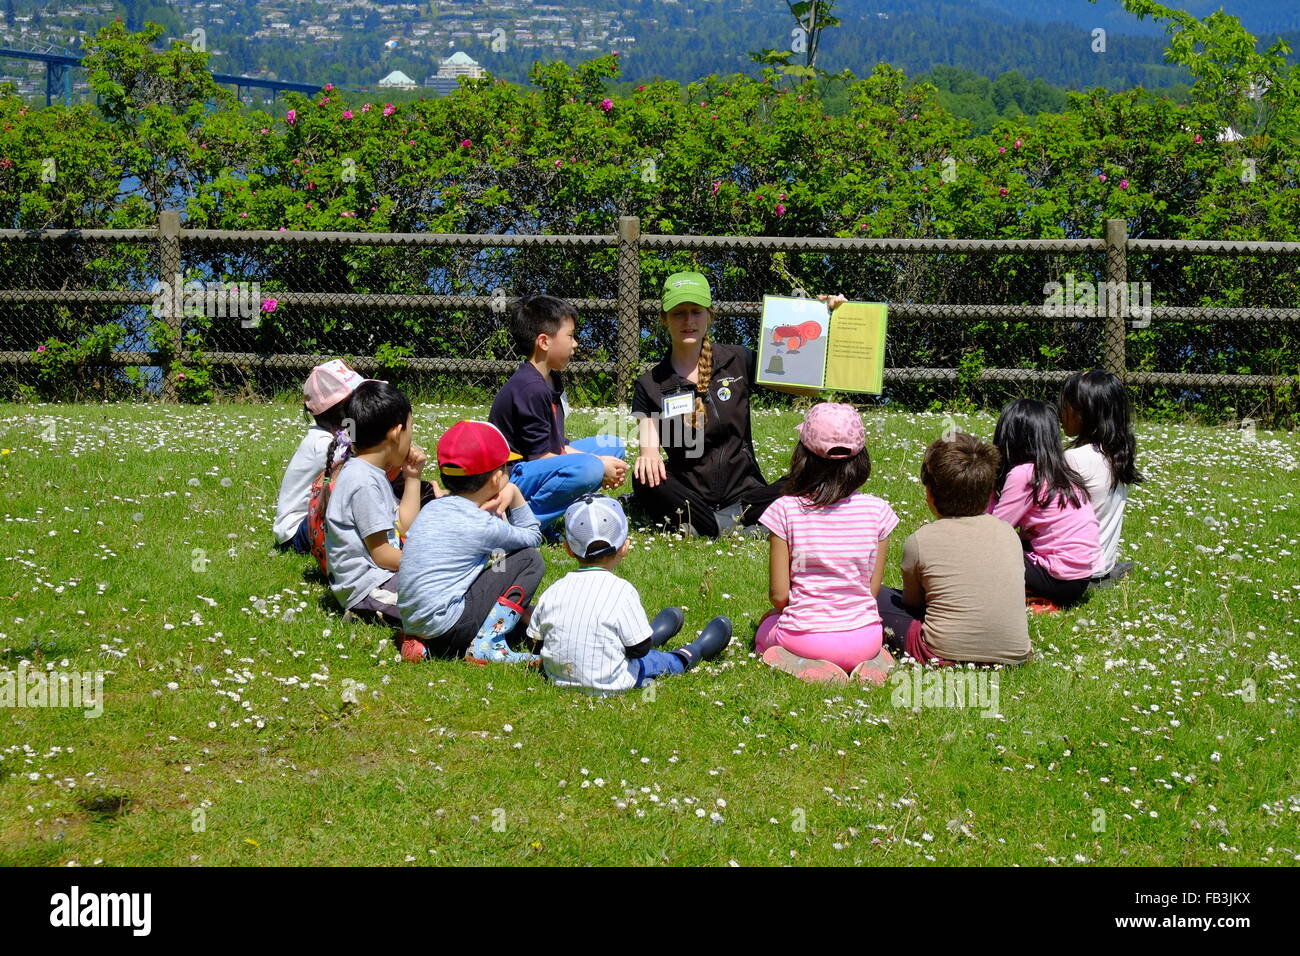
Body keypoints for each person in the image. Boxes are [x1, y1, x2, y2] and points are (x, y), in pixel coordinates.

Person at [632, 272, 805, 538]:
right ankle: (736, 524)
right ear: (664, 319)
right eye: (679, 313)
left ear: (710, 316)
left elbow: (803, 379)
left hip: (746, 492)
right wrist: (649, 455)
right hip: (691, 496)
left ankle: (709, 526)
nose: (688, 320)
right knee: (643, 476)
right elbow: (649, 448)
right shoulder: (649, 384)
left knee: (809, 477)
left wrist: (822, 315)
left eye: (696, 312)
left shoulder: (738, 360)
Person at [527, 494, 732, 694]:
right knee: (654, 660)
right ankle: (693, 651)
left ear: (568, 549)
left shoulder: (554, 590)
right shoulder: (621, 591)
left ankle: (648, 635)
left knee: (630, 644)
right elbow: (639, 652)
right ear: (625, 547)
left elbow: (535, 643)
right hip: (612, 682)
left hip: (559, 679)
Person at [754, 403, 898, 684]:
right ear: (860, 458)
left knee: (764, 630)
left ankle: (801, 664)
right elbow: (871, 590)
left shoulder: (785, 510)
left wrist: (777, 614)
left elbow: (779, 594)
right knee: (862, 642)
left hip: (807, 638)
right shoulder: (878, 511)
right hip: (866, 637)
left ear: (802, 456)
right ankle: (873, 661)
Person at [397, 421, 546, 664]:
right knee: (530, 559)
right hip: (449, 626)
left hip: (415, 622)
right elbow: (532, 536)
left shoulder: (432, 508)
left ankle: (424, 645)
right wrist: (516, 494)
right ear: (498, 477)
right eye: (507, 467)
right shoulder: (482, 525)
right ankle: (487, 644)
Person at [878, 433, 1032, 666]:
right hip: (1015, 654)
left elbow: (913, 603)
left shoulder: (921, 540)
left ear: (930, 494)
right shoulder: (1008, 533)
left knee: (877, 596)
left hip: (941, 652)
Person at [488, 294, 627, 528]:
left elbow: (557, 445)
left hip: (538, 464)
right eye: (570, 336)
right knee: (591, 467)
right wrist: (599, 465)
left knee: (612, 446)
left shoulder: (550, 379)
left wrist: (604, 462)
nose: (575, 344)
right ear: (544, 342)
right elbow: (541, 456)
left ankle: (561, 506)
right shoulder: (530, 388)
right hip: (512, 475)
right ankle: (524, 520)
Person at [322, 380, 426, 624]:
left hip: (383, 577)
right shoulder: (363, 481)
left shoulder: (369, 471)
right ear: (395, 432)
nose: (412, 438)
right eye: (410, 429)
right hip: (369, 588)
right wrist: (426, 562)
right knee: (437, 597)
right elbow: (381, 555)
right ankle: (362, 612)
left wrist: (413, 476)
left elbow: (404, 527)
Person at [989, 398, 1100, 608]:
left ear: (1008, 436)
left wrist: (988, 492)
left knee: (981, 550)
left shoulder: (1024, 474)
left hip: (1057, 580)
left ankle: (1025, 596)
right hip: (1080, 579)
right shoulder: (1063, 471)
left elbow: (993, 530)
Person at [1059, 370, 1143, 587]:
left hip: (1075, 570)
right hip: (1104, 564)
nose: (1060, 411)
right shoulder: (1116, 454)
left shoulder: (1074, 459)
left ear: (1083, 412)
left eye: (1065, 404)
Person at [273, 360, 366, 552]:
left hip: (312, 519)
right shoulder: (323, 443)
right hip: (298, 531)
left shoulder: (337, 436)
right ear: (345, 410)